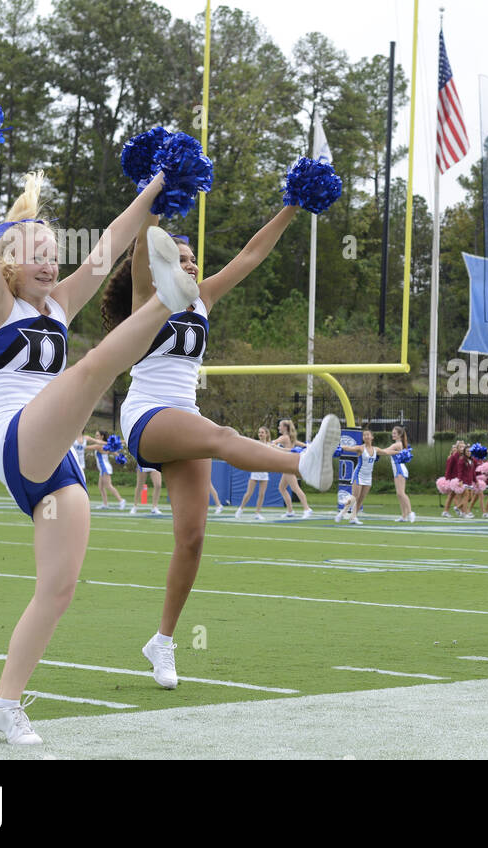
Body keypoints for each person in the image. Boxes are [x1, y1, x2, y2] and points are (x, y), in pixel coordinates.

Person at [0, 153, 202, 745]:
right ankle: (165, 301)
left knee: (58, 588)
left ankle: (4, 702)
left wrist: (162, 182)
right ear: (7, 264)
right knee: (90, 372)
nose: (48, 260)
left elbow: (112, 240)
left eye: (52, 252)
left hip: (58, 456)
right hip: (17, 437)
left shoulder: (60, 304)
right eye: (34, 254)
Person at [102, 186, 341, 687]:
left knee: (191, 539)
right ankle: (302, 463)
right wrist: (159, 193)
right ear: (159, 265)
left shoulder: (203, 298)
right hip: (147, 416)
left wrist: (293, 204)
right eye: (180, 258)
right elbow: (142, 242)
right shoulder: (148, 299)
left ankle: (161, 643)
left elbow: (252, 253)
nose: (190, 267)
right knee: (222, 434)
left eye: (192, 260)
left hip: (185, 416)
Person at [337, 429, 386, 525]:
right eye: (364, 435)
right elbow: (349, 448)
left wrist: (399, 452)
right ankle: (342, 511)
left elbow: (387, 452)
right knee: (355, 496)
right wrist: (339, 447)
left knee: (361, 499)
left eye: (368, 435)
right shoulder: (360, 448)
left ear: (372, 437)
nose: (366, 436)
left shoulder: (376, 449)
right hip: (358, 475)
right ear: (363, 438)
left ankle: (353, 517)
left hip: (368, 477)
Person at [272, 418, 314, 519]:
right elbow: (303, 446)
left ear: (285, 427)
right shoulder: (291, 438)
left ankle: (307, 509)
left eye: (280, 426)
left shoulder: (284, 437)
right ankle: (290, 511)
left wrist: (276, 447)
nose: (278, 427)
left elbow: (274, 444)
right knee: (282, 488)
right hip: (288, 464)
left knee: (295, 488)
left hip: (288, 465)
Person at [234, 427, 275, 521]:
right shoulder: (255, 443)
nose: (260, 434)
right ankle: (240, 509)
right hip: (255, 470)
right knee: (249, 493)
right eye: (259, 432)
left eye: (262, 432)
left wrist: (293, 450)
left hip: (264, 472)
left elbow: (281, 450)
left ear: (266, 434)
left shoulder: (270, 445)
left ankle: (257, 513)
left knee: (262, 494)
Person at [87, 430, 125, 510]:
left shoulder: (99, 446)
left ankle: (121, 500)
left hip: (105, 468)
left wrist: (78, 445)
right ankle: (105, 504)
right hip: (102, 469)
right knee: (101, 487)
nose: (95, 437)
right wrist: (118, 455)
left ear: (102, 437)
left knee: (108, 486)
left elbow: (86, 448)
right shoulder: (106, 445)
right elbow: (114, 452)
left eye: (97, 435)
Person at [387, 425, 415, 523]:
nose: (393, 434)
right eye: (392, 433)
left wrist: (373, 450)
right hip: (397, 471)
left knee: (401, 493)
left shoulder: (397, 444)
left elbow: (385, 451)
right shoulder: (397, 444)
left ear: (399, 435)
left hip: (400, 470)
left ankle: (410, 512)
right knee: (399, 494)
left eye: (395, 433)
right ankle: (404, 516)